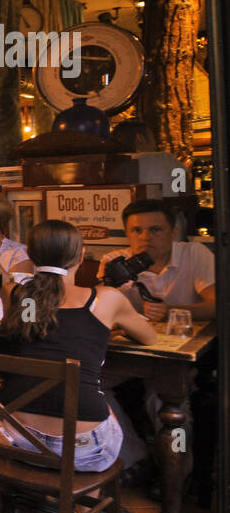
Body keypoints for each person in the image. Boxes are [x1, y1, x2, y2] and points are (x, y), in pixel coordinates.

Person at [0, 220, 157, 513]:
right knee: (103, 403)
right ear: (81, 256)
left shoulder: (21, 296)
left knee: (60, 392)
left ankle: (41, 489)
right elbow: (150, 337)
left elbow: (34, 328)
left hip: (15, 442)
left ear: (32, 257)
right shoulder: (105, 299)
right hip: (82, 452)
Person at [97, 198, 216, 476]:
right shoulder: (116, 262)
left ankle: (176, 474)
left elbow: (217, 304)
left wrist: (172, 311)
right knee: (89, 384)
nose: (144, 238)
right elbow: (100, 311)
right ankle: (134, 457)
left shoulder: (194, 254)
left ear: (174, 231)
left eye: (155, 230)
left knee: (162, 399)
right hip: (132, 354)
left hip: (179, 357)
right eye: (136, 230)